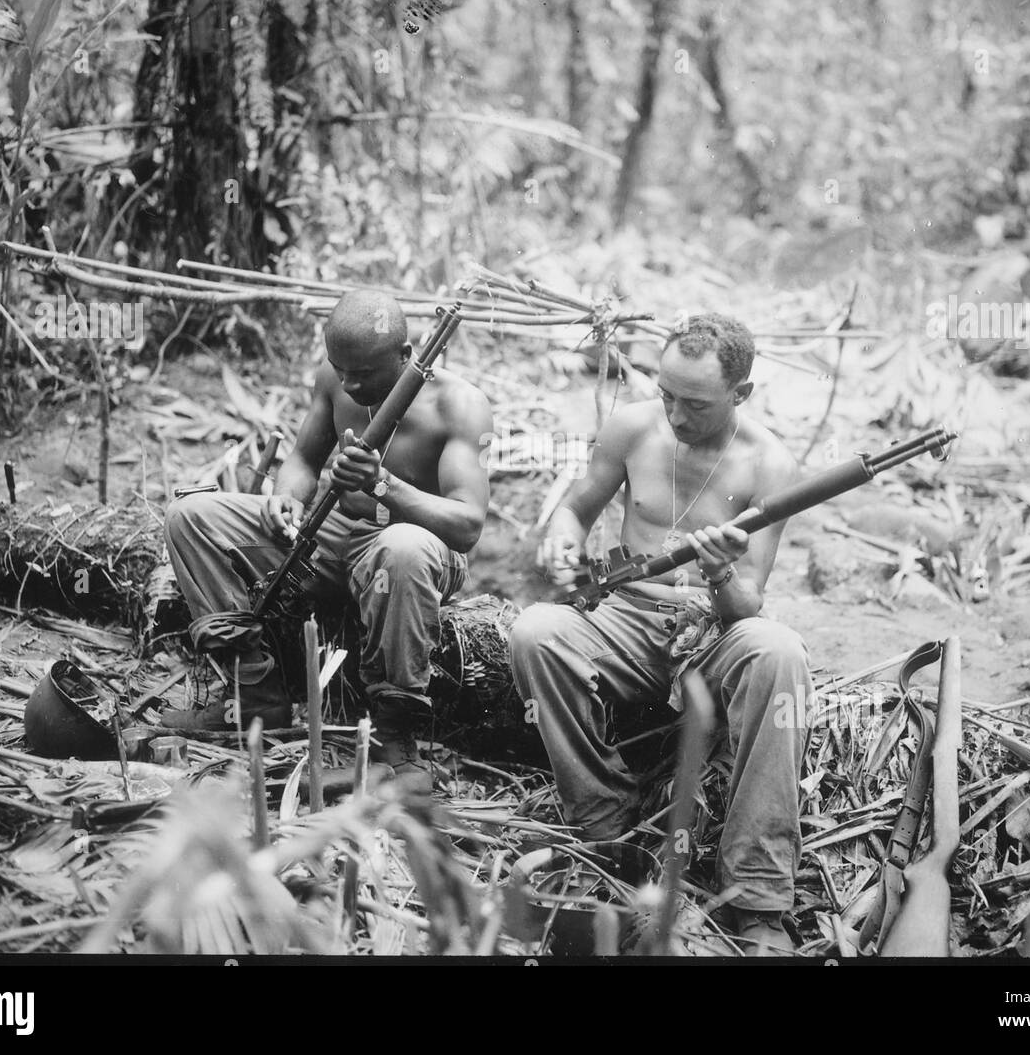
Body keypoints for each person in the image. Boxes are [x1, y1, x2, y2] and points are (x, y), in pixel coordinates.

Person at [508, 313, 811, 955]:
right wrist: (563, 542)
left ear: (741, 394)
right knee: (536, 630)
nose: (674, 414)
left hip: (710, 631)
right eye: (666, 393)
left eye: (694, 403)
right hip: (624, 618)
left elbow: (746, 607)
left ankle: (756, 896)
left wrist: (720, 570)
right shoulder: (633, 428)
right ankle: (603, 830)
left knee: (778, 653)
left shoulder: (769, 465)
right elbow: (575, 506)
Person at [161, 290, 493, 776]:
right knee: (190, 516)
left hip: (407, 546)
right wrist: (286, 496)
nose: (350, 384)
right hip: (329, 533)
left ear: (406, 358)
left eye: (364, 373)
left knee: (403, 549)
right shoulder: (336, 377)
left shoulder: (461, 405)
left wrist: (383, 485)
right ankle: (254, 693)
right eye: (341, 369)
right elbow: (302, 459)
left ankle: (394, 733)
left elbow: (466, 525)